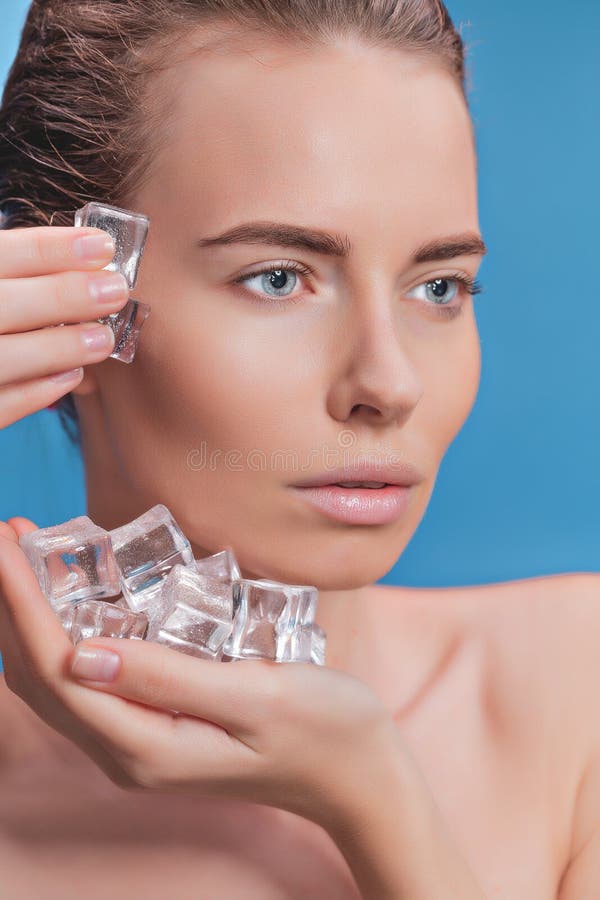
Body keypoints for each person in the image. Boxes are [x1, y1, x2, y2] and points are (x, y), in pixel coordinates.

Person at [0, 1, 598, 897]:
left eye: (440, 286)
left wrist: (372, 793)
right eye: (279, 278)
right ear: (69, 296)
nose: (390, 383)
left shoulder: (580, 689)